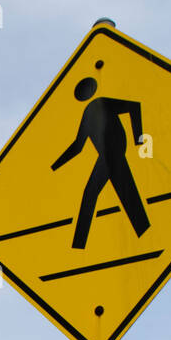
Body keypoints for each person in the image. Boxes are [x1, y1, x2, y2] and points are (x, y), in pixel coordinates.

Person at [51, 77, 150, 249]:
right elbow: (78, 146)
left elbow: (133, 107)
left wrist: (139, 139)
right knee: (126, 191)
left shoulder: (102, 103)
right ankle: (144, 231)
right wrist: (54, 166)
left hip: (113, 150)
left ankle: (78, 245)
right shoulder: (88, 113)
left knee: (90, 192)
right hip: (107, 155)